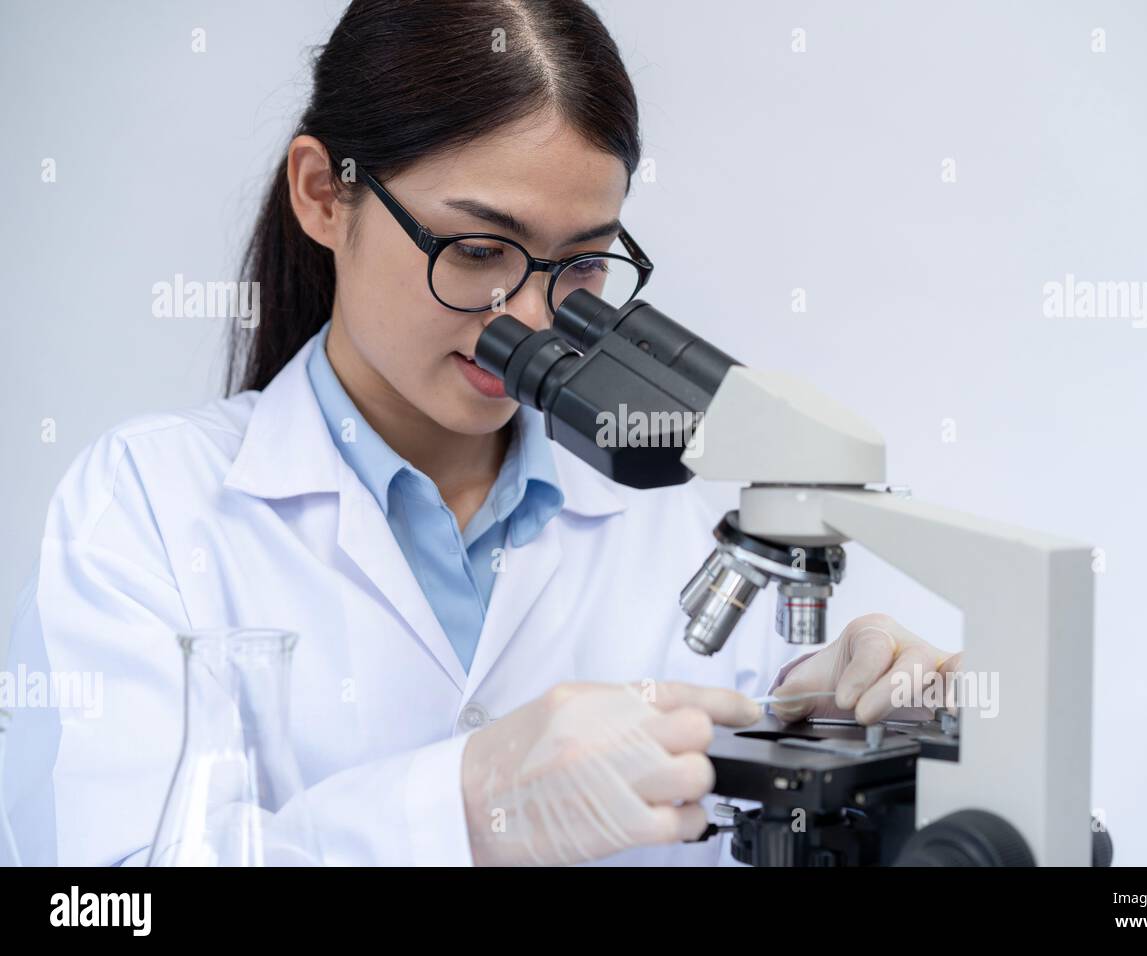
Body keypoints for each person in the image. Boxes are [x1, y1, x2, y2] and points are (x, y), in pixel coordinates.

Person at [3, 0, 955, 867]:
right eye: (476, 250)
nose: (533, 321)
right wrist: (466, 805)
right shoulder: (147, 507)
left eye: (582, 265)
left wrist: (837, 722)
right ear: (323, 194)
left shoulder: (668, 519)